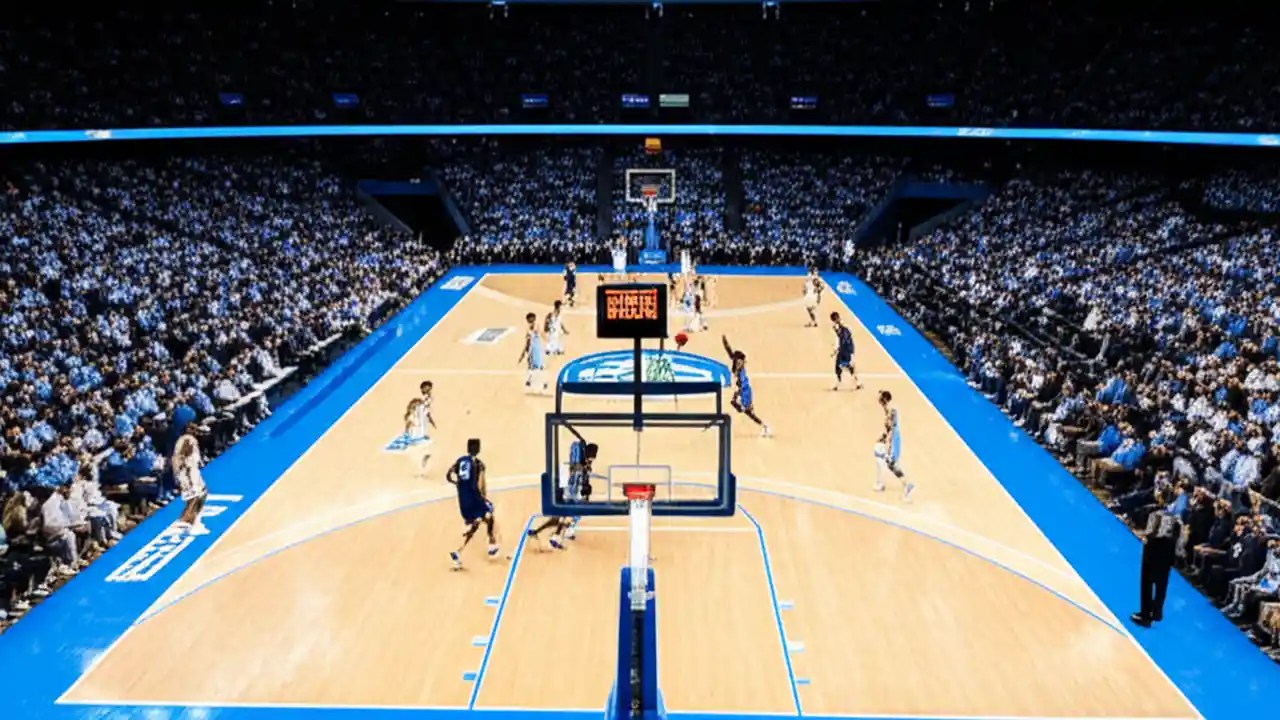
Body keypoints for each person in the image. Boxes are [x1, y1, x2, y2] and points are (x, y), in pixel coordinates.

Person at [446, 438, 501, 570]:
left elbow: (448, 475)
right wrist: (483, 499)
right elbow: (479, 486)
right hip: (474, 498)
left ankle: (458, 552)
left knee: (477, 522)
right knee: (489, 516)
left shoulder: (460, 461)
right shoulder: (478, 465)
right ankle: (491, 545)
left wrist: (458, 485)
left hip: (462, 500)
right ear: (478, 449)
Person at [1132, 489, 1182, 627]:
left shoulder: (1156, 515)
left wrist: (1142, 536)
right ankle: (1157, 611)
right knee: (1162, 584)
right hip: (1168, 555)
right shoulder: (1178, 520)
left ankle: (1145, 615)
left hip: (1153, 553)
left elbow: (1151, 534)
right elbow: (1179, 541)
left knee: (1147, 583)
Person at [722, 335, 771, 438]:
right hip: (743, 390)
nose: (739, 363)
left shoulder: (741, 371)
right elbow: (730, 354)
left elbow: (741, 385)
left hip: (745, 391)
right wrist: (725, 344)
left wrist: (738, 394)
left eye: (740, 362)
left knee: (748, 412)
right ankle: (762, 425)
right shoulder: (737, 365)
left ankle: (764, 426)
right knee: (738, 405)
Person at [873, 390, 912, 500]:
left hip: (893, 439)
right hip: (892, 438)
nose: (878, 400)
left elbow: (890, 428)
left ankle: (907, 484)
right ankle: (883, 483)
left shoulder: (890, 410)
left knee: (891, 463)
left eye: (880, 398)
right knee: (887, 461)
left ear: (884, 399)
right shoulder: (889, 409)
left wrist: (887, 442)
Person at [172, 429, 210, 536]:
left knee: (202, 493)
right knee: (194, 498)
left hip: (192, 472)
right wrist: (186, 476)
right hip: (188, 474)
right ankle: (184, 521)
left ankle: (196, 521)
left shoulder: (188, 439)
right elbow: (183, 457)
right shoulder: (187, 440)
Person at [402, 380, 436, 479]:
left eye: (430, 389)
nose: (429, 391)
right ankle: (420, 472)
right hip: (416, 431)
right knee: (422, 452)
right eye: (427, 389)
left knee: (426, 452)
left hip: (422, 430)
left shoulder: (427, 401)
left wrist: (432, 422)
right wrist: (407, 430)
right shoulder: (417, 402)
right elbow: (409, 416)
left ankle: (421, 471)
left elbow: (427, 413)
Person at [517, 312, 549, 394]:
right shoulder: (534, 328)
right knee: (536, 367)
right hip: (535, 349)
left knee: (536, 367)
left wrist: (523, 354)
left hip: (535, 350)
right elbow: (542, 336)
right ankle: (533, 381)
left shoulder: (534, 329)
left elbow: (531, 340)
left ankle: (539, 382)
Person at [830, 312, 863, 391]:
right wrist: (836, 349)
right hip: (842, 349)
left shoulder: (845, 326)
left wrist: (839, 349)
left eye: (836, 318)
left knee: (849, 366)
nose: (835, 320)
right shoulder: (836, 327)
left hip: (847, 349)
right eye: (834, 319)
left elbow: (845, 337)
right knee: (838, 367)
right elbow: (839, 339)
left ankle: (857, 383)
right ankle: (839, 382)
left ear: (838, 317)